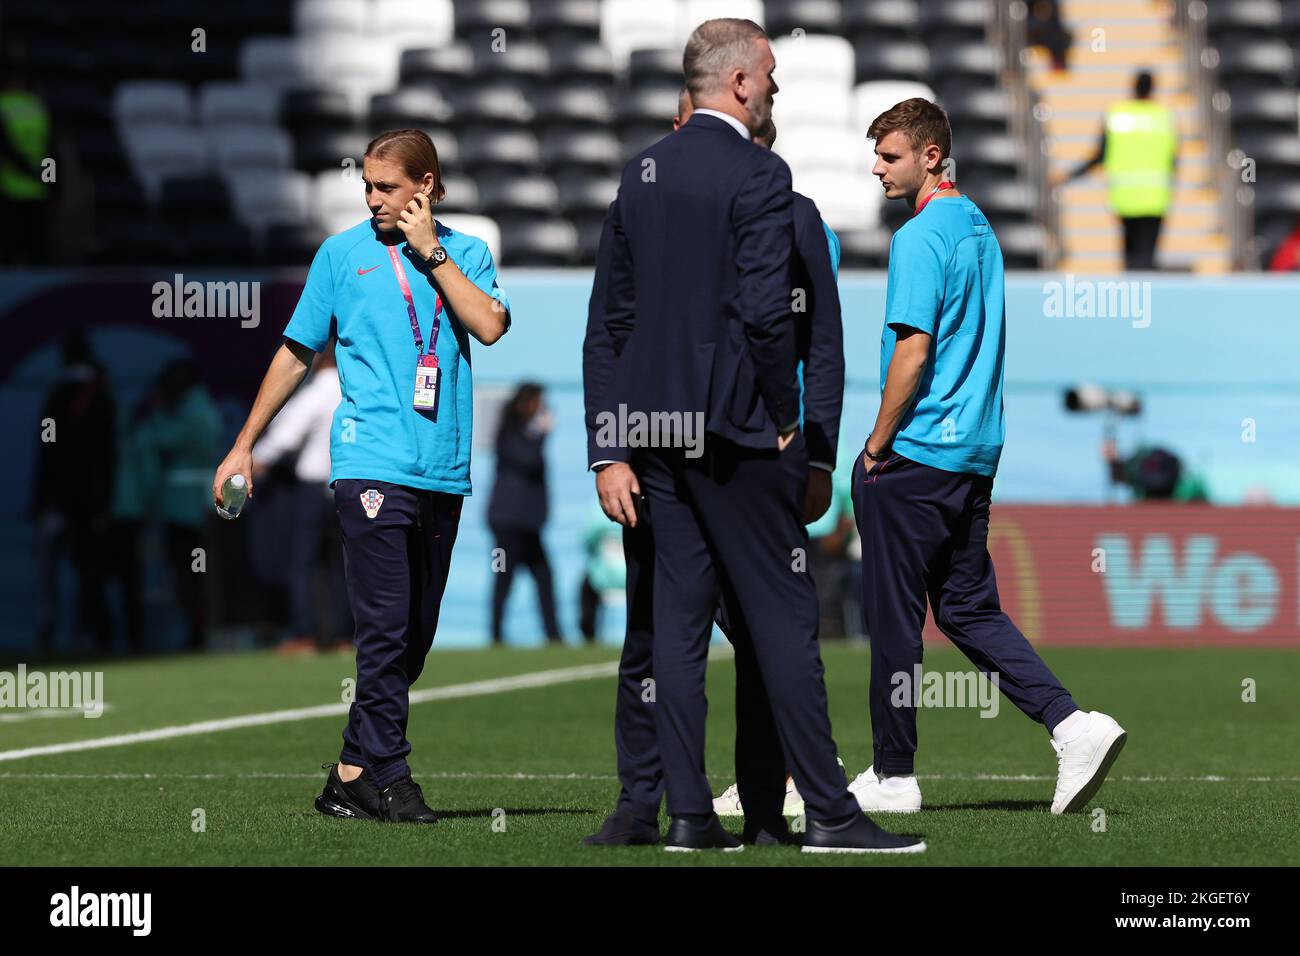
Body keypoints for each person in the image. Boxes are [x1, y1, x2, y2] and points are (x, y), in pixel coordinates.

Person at [583, 17, 921, 854]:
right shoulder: (763, 176)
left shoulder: (640, 176)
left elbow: (610, 326)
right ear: (738, 82)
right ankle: (832, 815)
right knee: (782, 621)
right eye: (768, 73)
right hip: (738, 435)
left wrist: (612, 441)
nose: (774, 86)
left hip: (657, 438)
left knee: (675, 630)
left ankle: (691, 816)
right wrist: (784, 420)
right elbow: (773, 316)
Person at [212, 128, 510, 825]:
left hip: (442, 469)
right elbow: (293, 353)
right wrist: (243, 444)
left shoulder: (467, 253)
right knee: (382, 627)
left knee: (413, 637)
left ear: (426, 187)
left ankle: (350, 770)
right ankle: (392, 777)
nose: (372, 199)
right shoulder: (340, 256)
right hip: (368, 462)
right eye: (367, 187)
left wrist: (431, 252)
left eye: (386, 187)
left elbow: (490, 326)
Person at [854, 97, 1127, 815]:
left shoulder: (919, 236)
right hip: (974, 453)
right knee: (970, 611)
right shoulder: (978, 224)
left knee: (892, 620)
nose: (877, 169)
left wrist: (875, 446)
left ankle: (893, 775)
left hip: (915, 453)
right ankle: (1074, 725)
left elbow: (913, 353)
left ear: (931, 155)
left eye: (890, 156)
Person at [252, 341, 354, 652]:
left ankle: (305, 633)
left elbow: (285, 436)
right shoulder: (357, 391)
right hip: (348, 486)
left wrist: (256, 459)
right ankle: (344, 636)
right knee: (344, 565)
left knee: (303, 564)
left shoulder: (319, 390)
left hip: (312, 489)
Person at [31, 332, 115, 655]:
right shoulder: (101, 396)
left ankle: (54, 633)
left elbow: (47, 450)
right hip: (88, 502)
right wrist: (102, 501)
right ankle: (86, 633)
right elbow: (108, 456)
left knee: (55, 573)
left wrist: (43, 497)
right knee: (87, 572)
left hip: (61, 501)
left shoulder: (64, 395)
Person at [1059, 70, 1177, 271]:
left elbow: (1099, 156)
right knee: (1147, 256)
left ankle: (1134, 298)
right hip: (1155, 197)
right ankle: (1148, 297)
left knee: (1130, 255)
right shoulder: (1165, 118)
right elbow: (1173, 161)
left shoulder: (1116, 115)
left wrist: (1068, 176)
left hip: (1124, 197)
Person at [147, 359, 221, 651]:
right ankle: (197, 629)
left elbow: (162, 440)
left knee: (189, 576)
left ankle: (197, 632)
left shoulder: (192, 411)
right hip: (192, 508)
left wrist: (156, 414)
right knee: (191, 576)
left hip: (185, 510)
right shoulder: (200, 407)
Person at [486, 382, 562, 644]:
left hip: (529, 525)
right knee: (504, 577)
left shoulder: (526, 434)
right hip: (508, 524)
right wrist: (541, 434)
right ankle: (496, 635)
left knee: (544, 576)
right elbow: (527, 460)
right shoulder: (510, 433)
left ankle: (554, 635)